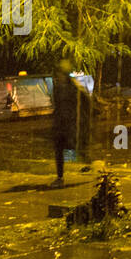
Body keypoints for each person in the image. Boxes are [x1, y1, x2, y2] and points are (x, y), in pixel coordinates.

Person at [51, 57, 81, 186]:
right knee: (59, 149)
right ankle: (60, 176)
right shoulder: (57, 88)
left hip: (69, 122)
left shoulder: (73, 88)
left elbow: (77, 105)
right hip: (60, 123)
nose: (58, 76)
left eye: (60, 73)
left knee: (74, 146)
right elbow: (57, 105)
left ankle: (93, 162)